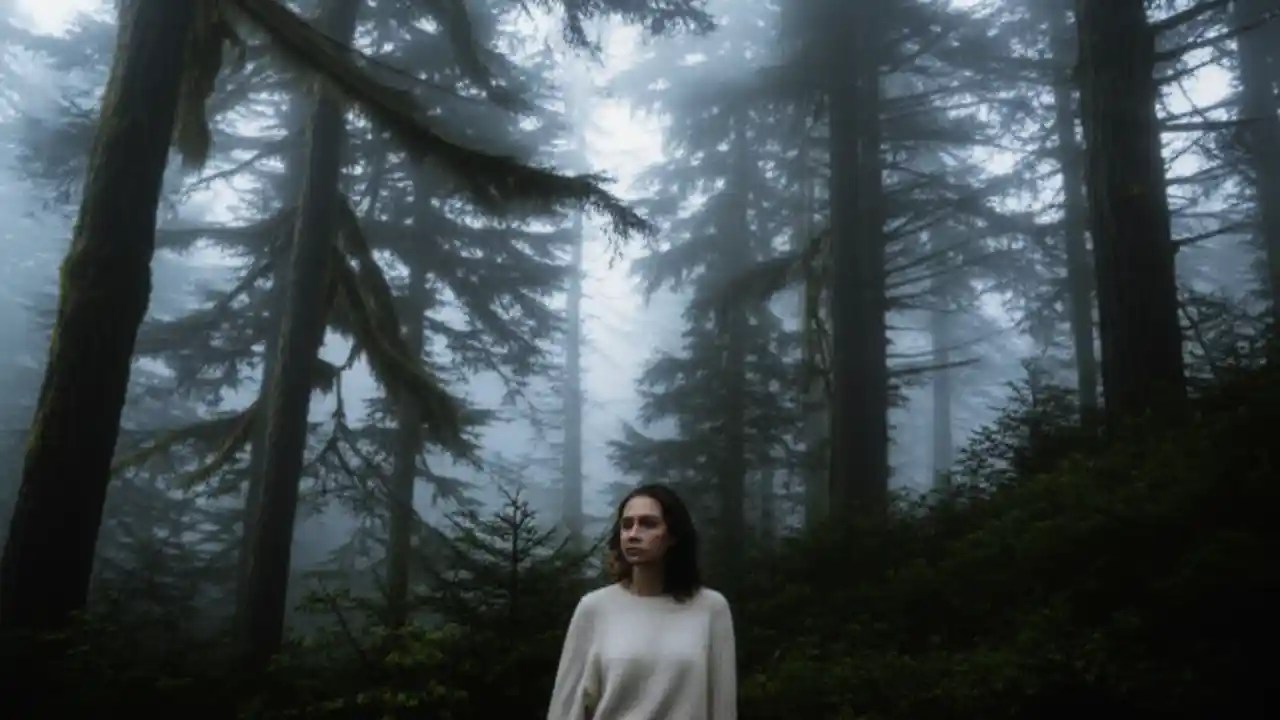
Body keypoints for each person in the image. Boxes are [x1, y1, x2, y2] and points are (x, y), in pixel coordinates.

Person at [546, 484, 737, 720]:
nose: (633, 534)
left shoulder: (711, 608)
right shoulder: (595, 608)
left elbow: (723, 707)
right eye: (627, 525)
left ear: (673, 535)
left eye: (648, 524)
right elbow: (566, 707)